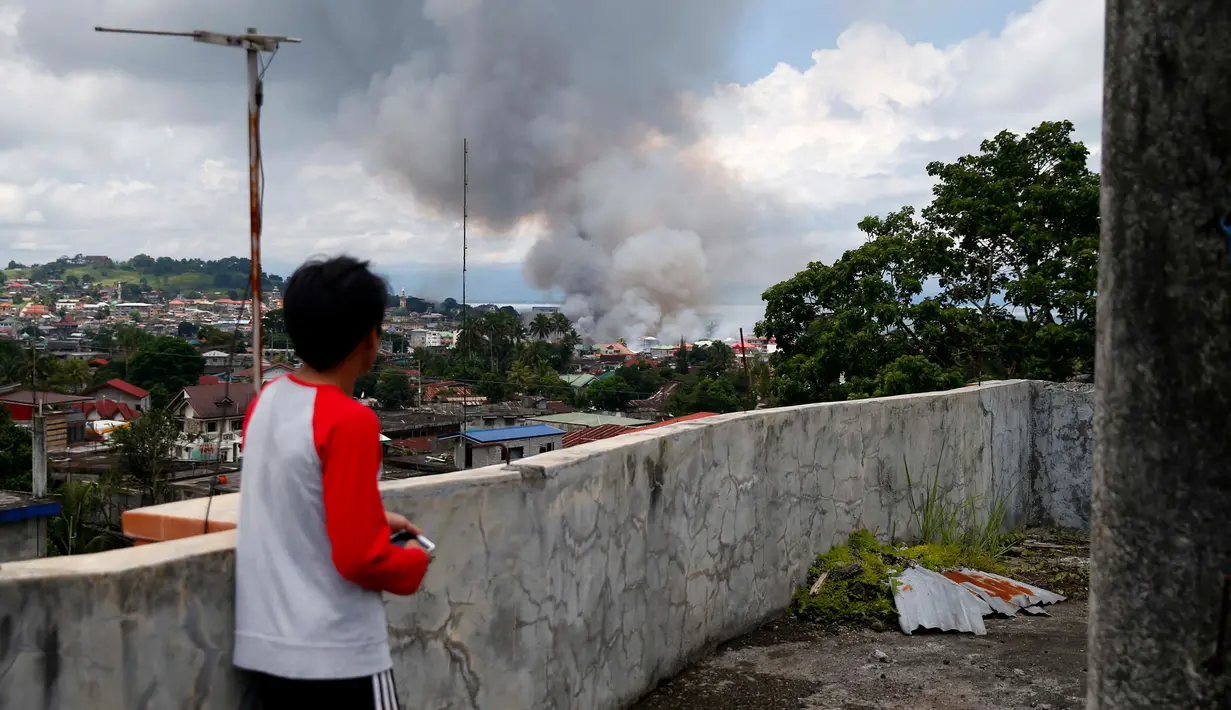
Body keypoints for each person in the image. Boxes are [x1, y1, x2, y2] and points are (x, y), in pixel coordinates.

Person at [233, 255, 431, 710]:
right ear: (371, 339)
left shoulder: (266, 401)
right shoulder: (350, 421)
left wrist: (374, 516)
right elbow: (362, 559)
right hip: (339, 655)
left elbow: (296, 499)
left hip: (265, 649)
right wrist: (414, 564)